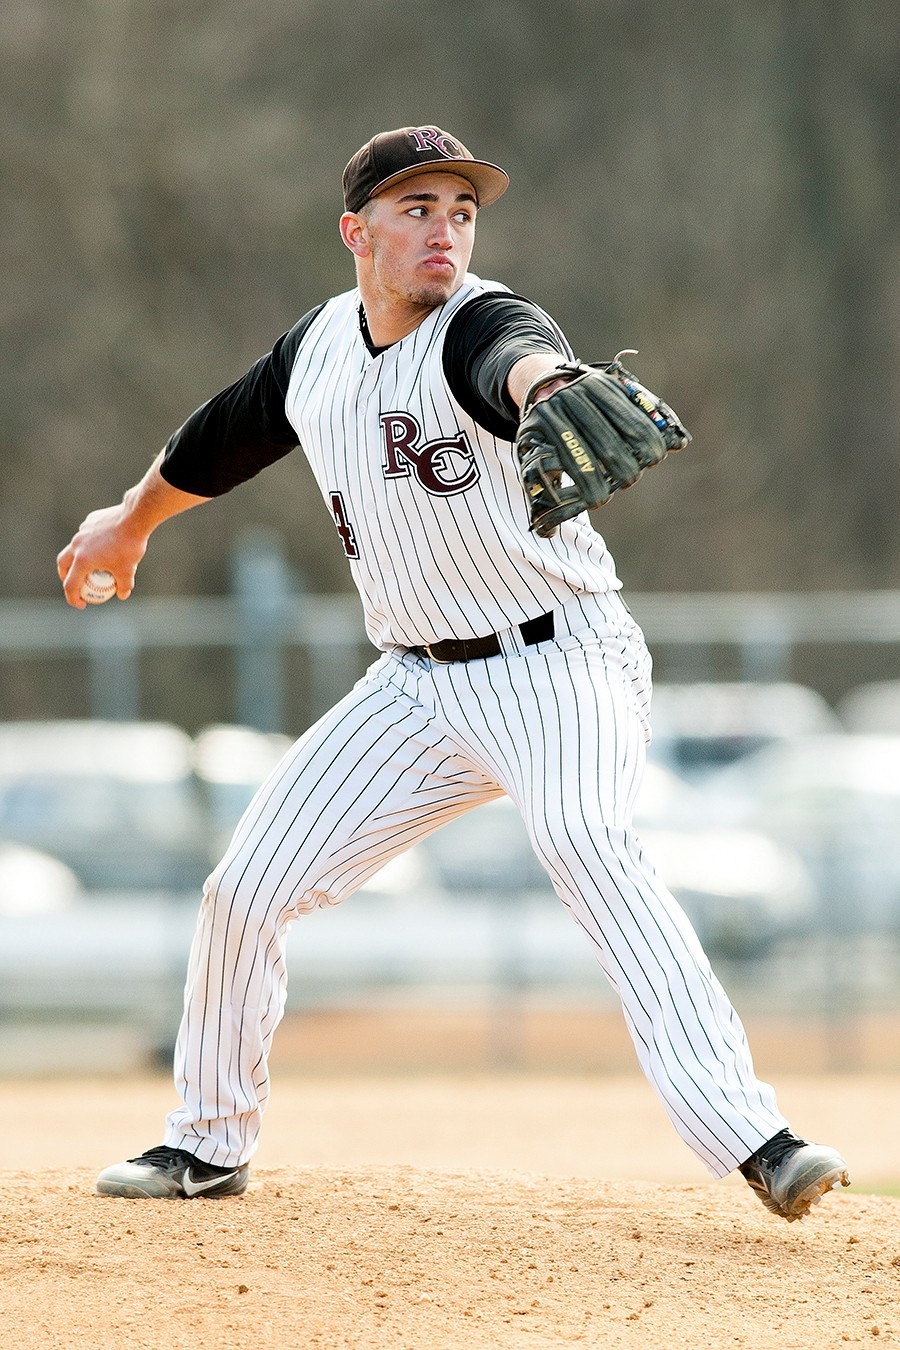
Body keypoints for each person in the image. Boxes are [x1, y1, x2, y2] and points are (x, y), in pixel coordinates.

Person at [58, 124, 849, 1220]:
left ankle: (758, 1138)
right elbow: (218, 440)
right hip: (416, 686)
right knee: (243, 890)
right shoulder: (316, 350)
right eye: (418, 208)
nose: (446, 231)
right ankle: (205, 1143)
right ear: (356, 232)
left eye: (462, 211)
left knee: (586, 844)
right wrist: (131, 521)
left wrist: (549, 384)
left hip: (558, 660)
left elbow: (516, 355)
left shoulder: (482, 321)